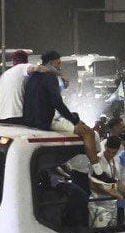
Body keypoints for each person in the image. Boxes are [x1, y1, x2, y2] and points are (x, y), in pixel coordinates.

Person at [22, 51, 115, 184]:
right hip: (45, 121)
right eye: (58, 63)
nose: (60, 66)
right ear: (51, 63)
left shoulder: (32, 77)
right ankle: (98, 172)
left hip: (30, 119)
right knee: (88, 133)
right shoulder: (49, 77)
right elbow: (57, 102)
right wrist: (74, 120)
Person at [0, 49, 33, 124]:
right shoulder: (24, 66)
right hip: (17, 114)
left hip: (3, 115)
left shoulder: (4, 74)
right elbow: (33, 68)